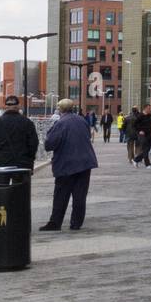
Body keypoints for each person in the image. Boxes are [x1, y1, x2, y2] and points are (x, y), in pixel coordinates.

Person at [40, 99, 98, 232]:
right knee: (80, 195)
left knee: (61, 194)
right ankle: (76, 223)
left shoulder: (60, 123)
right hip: (85, 163)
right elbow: (87, 136)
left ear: (60, 109)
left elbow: (50, 144)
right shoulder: (82, 120)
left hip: (66, 164)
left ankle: (55, 222)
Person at [0, 95, 39, 172]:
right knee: (21, 184)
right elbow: (34, 143)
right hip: (22, 164)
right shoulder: (28, 123)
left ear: (5, 106)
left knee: (1, 184)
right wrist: (29, 158)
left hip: (1, 164)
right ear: (18, 106)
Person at [135, 104, 151, 169]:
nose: (150, 110)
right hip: (142, 134)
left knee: (147, 149)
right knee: (145, 148)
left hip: (149, 134)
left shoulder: (150, 116)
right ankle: (147, 164)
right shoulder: (140, 116)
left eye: (150, 108)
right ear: (145, 108)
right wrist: (139, 130)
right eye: (149, 108)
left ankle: (136, 160)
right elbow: (135, 124)